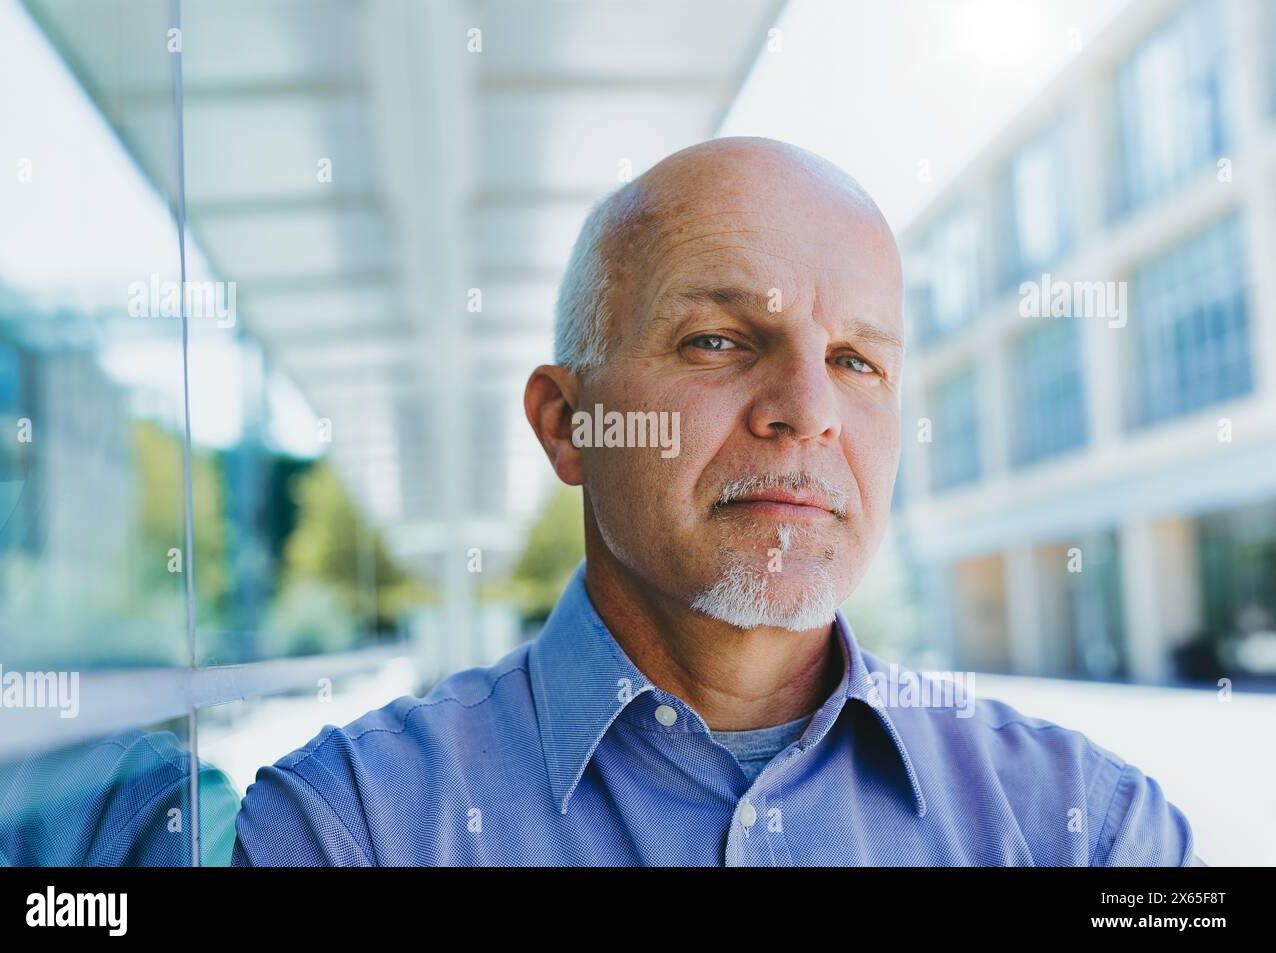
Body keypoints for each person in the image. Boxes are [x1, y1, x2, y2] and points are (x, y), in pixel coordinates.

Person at [231, 137, 1203, 866]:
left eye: (856, 360)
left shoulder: (1096, 829)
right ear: (568, 423)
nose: (807, 413)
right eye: (718, 342)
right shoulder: (345, 826)